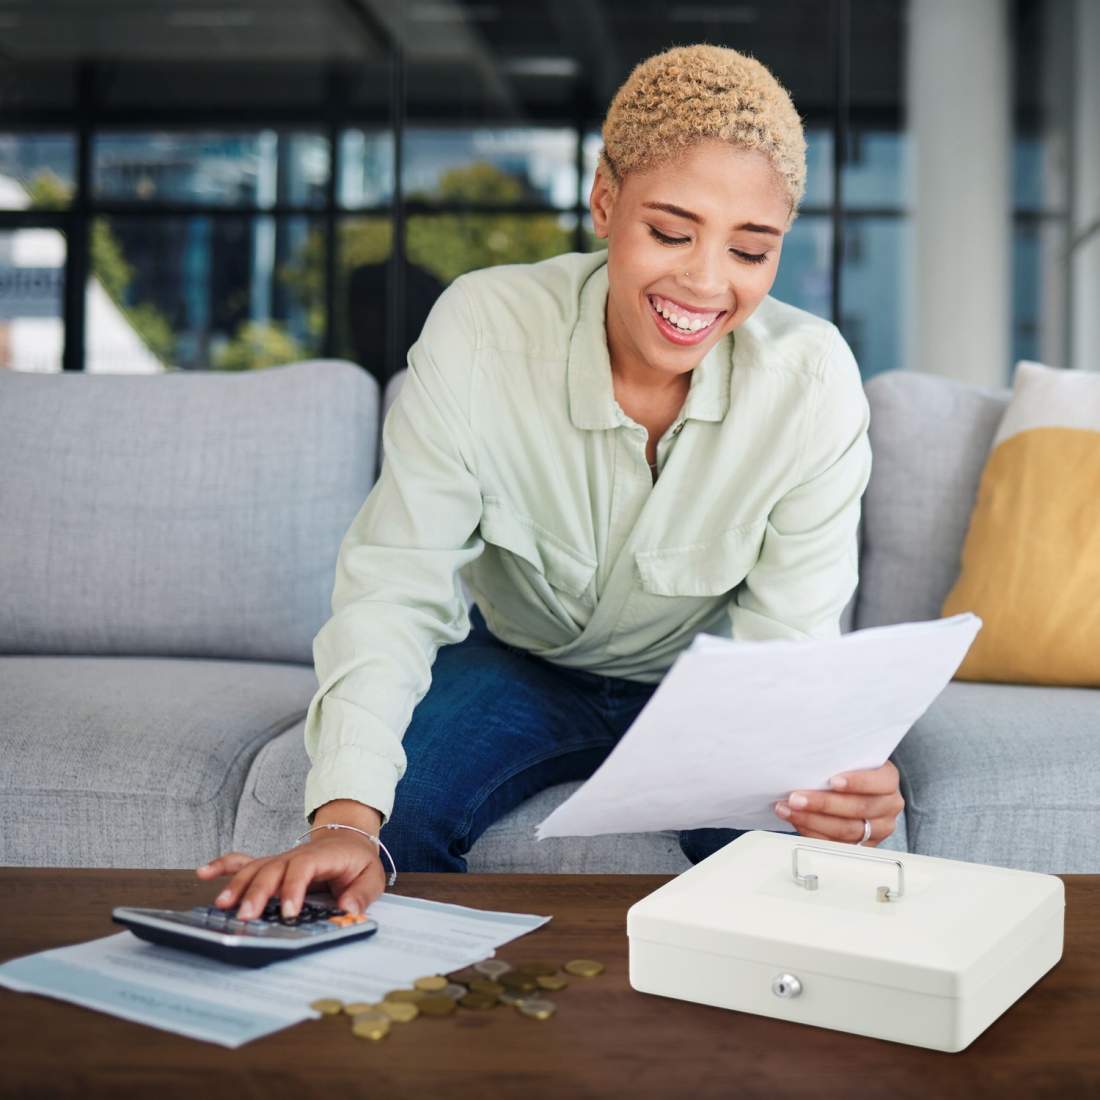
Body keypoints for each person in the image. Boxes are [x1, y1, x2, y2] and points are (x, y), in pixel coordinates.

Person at [197, 44, 904, 921]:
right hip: (521, 661)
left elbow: (787, 644)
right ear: (606, 201)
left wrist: (831, 796)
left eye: (751, 251)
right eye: (671, 232)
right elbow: (396, 589)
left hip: (705, 686)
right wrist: (345, 818)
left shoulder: (812, 384)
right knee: (386, 835)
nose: (705, 282)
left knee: (785, 863)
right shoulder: (483, 332)